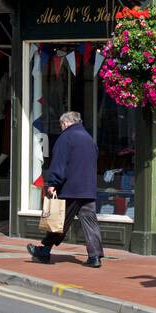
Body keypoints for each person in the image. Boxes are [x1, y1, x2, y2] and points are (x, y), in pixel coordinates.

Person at [28, 111, 103, 267]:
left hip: (70, 188)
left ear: (65, 123)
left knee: (59, 221)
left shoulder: (66, 137)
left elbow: (59, 162)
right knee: (90, 223)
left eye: (61, 125)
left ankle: (44, 252)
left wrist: (53, 183)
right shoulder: (89, 138)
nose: (61, 128)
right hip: (87, 189)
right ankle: (95, 257)